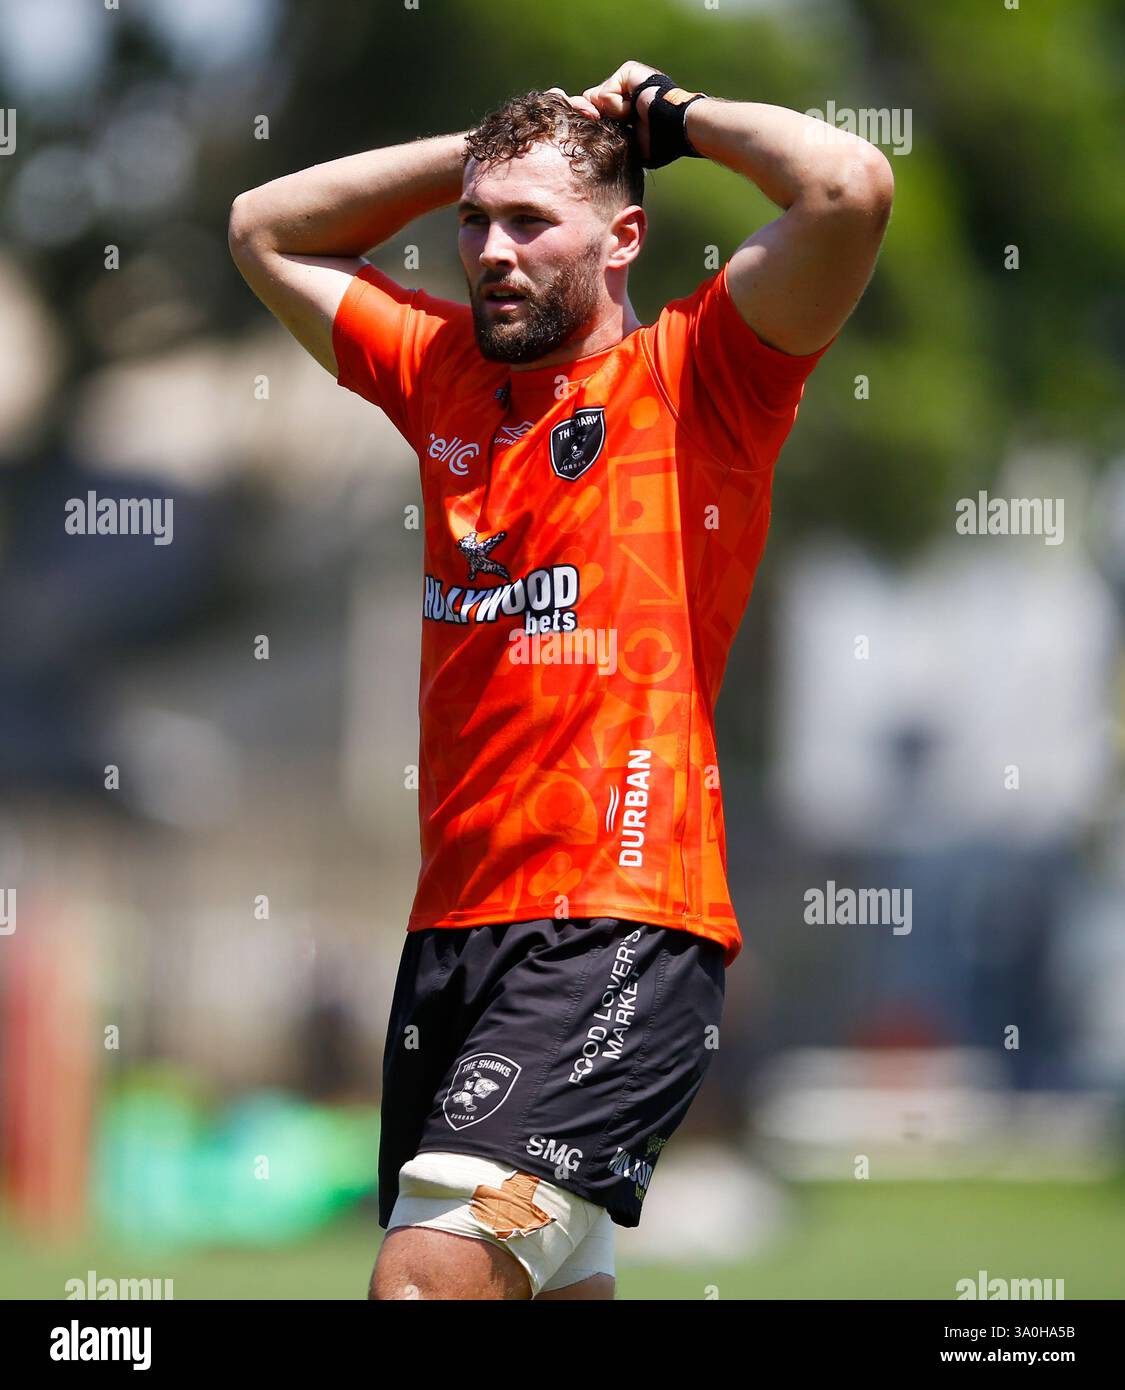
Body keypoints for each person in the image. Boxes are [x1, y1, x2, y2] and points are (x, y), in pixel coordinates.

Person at [228, 59, 893, 1301]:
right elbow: (262, 227)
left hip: (618, 924)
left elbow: (850, 186)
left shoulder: (702, 378)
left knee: (425, 1282)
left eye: (531, 220)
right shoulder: (440, 376)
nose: (490, 248)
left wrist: (667, 120)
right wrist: (485, 151)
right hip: (452, 940)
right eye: (474, 221)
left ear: (624, 235)